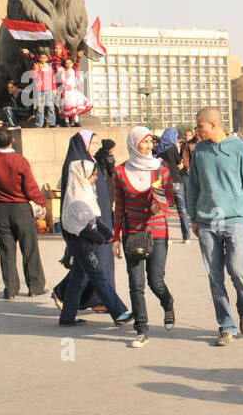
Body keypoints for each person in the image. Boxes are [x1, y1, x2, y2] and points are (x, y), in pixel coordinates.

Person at [187, 108, 243, 346]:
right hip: (207, 222)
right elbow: (193, 186)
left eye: (200, 126)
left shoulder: (240, 149)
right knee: (215, 278)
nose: (196, 131)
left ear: (213, 124)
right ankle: (226, 326)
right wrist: (193, 218)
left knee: (237, 272)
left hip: (236, 220)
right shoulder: (199, 151)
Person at [56, 131, 130, 327]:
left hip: (83, 243)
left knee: (77, 279)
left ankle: (67, 316)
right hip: (83, 244)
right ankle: (119, 313)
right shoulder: (76, 198)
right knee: (98, 277)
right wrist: (100, 237)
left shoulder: (83, 191)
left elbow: (93, 219)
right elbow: (81, 226)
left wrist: (107, 232)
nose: (95, 179)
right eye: (93, 176)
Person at [111, 127, 176, 348]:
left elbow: (170, 197)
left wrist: (161, 205)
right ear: (133, 144)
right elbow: (119, 207)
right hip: (133, 234)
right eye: (144, 142)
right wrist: (115, 237)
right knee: (136, 284)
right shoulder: (120, 172)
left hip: (157, 231)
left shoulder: (160, 168)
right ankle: (141, 330)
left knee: (155, 281)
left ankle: (168, 302)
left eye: (150, 142)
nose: (148, 146)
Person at [0, 120, 47, 298]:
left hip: (1, 209)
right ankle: (35, 286)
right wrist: (40, 203)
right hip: (21, 208)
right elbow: (30, 186)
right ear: (12, 140)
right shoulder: (19, 161)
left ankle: (11, 289)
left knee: (6, 251)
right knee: (29, 248)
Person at [155, 128, 192, 244]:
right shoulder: (172, 148)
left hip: (164, 181)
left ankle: (166, 237)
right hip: (176, 180)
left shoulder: (159, 150)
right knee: (182, 209)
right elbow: (178, 161)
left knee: (164, 210)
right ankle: (186, 237)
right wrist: (180, 162)